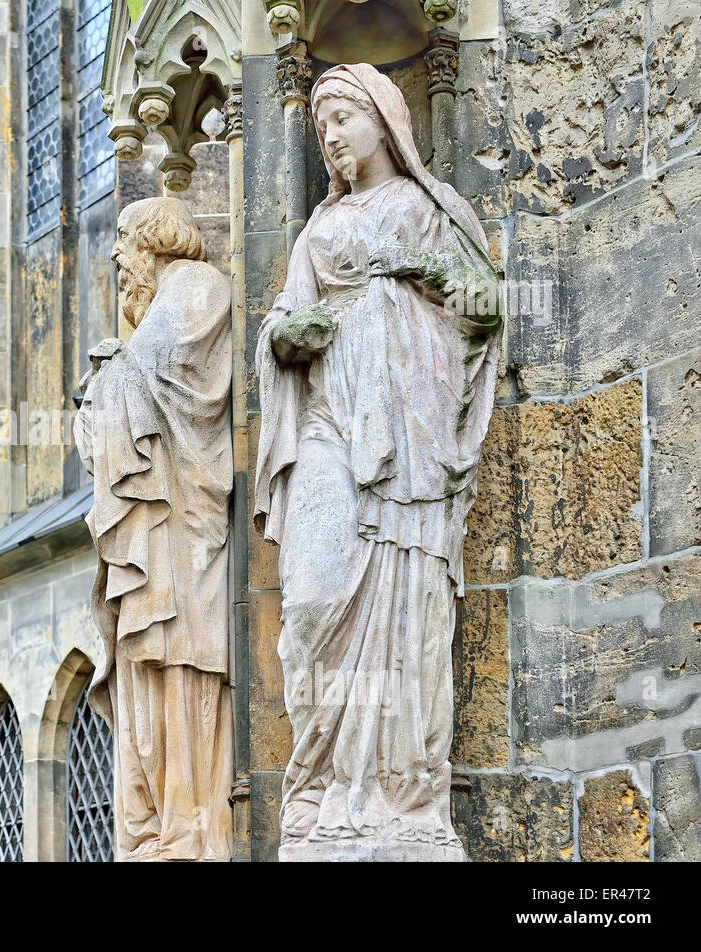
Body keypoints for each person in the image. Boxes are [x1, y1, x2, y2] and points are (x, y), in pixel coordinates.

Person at [252, 64, 504, 861]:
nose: (329, 135)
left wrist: (420, 273)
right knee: (312, 600)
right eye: (321, 122)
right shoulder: (316, 234)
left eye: (342, 118)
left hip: (413, 435)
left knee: (411, 606)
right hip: (331, 423)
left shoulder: (433, 210)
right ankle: (322, 785)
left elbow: (487, 307)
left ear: (385, 120)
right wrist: (289, 338)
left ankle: (402, 796)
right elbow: (283, 321)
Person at [73, 196, 234, 861]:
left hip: (180, 521)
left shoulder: (198, 286)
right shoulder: (164, 306)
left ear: (151, 244)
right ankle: (155, 827)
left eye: (123, 260)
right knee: (151, 656)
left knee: (178, 655)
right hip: (152, 518)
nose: (122, 275)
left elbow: (166, 379)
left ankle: (191, 824)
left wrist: (111, 374)